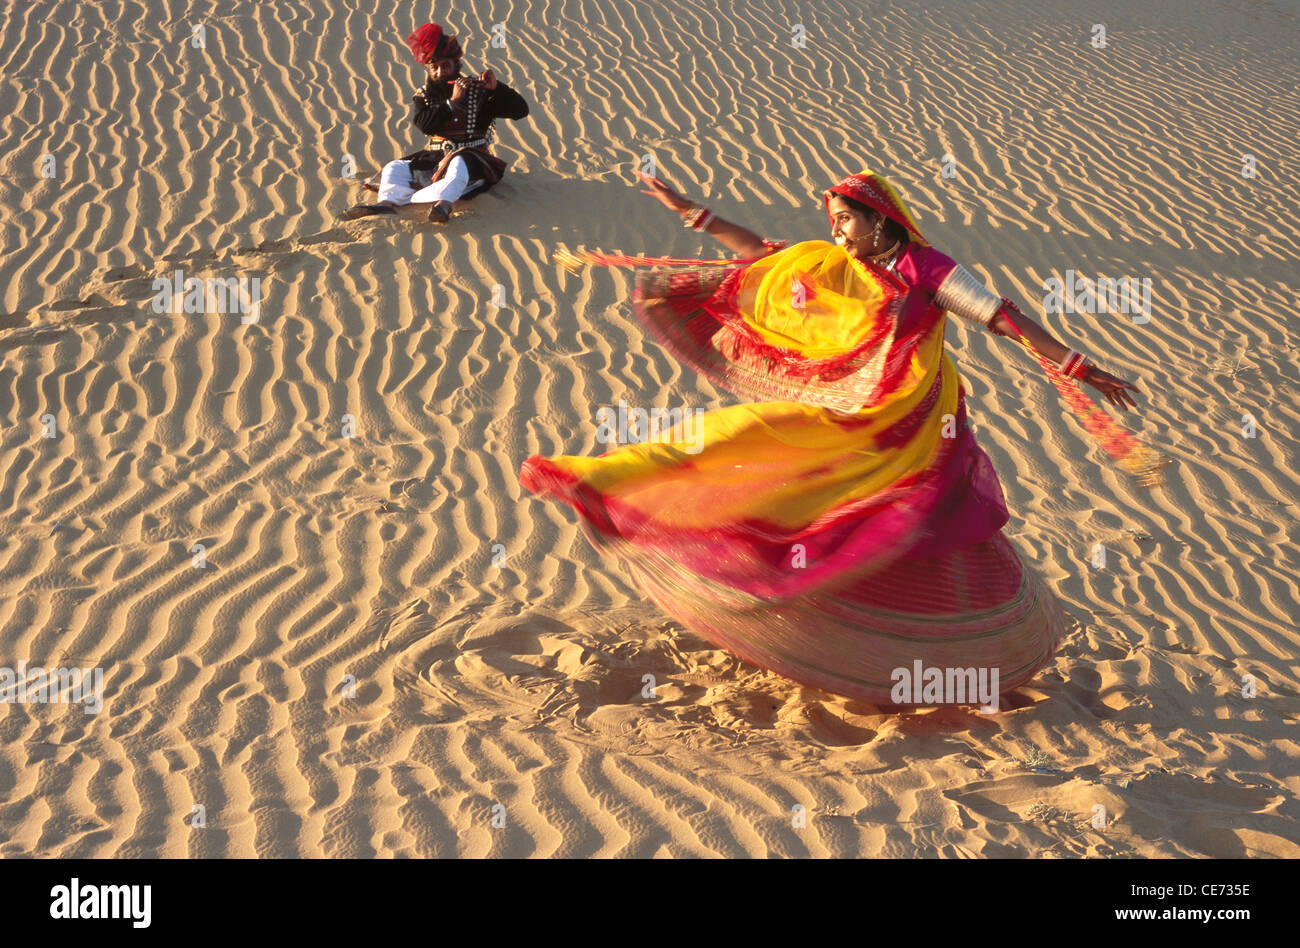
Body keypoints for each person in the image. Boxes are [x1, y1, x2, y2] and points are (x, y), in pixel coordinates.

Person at [520, 168, 1163, 708]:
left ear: (880, 218)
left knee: (911, 519)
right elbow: (761, 253)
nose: (836, 228)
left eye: (847, 218)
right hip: (842, 409)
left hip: (911, 426)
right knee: (744, 437)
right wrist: (695, 213)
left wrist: (1075, 364)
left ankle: (940, 649)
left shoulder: (928, 268)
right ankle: (606, 483)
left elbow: (1004, 318)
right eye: (832, 218)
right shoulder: (833, 262)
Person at [342, 22, 529, 222]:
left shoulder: (479, 90)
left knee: (458, 164)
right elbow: (424, 124)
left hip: (473, 159)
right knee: (394, 168)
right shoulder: (423, 96)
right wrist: (452, 104)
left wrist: (496, 88)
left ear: (457, 66)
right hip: (436, 158)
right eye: (434, 67)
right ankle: (386, 204)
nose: (440, 72)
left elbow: (520, 111)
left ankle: (443, 206)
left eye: (445, 66)